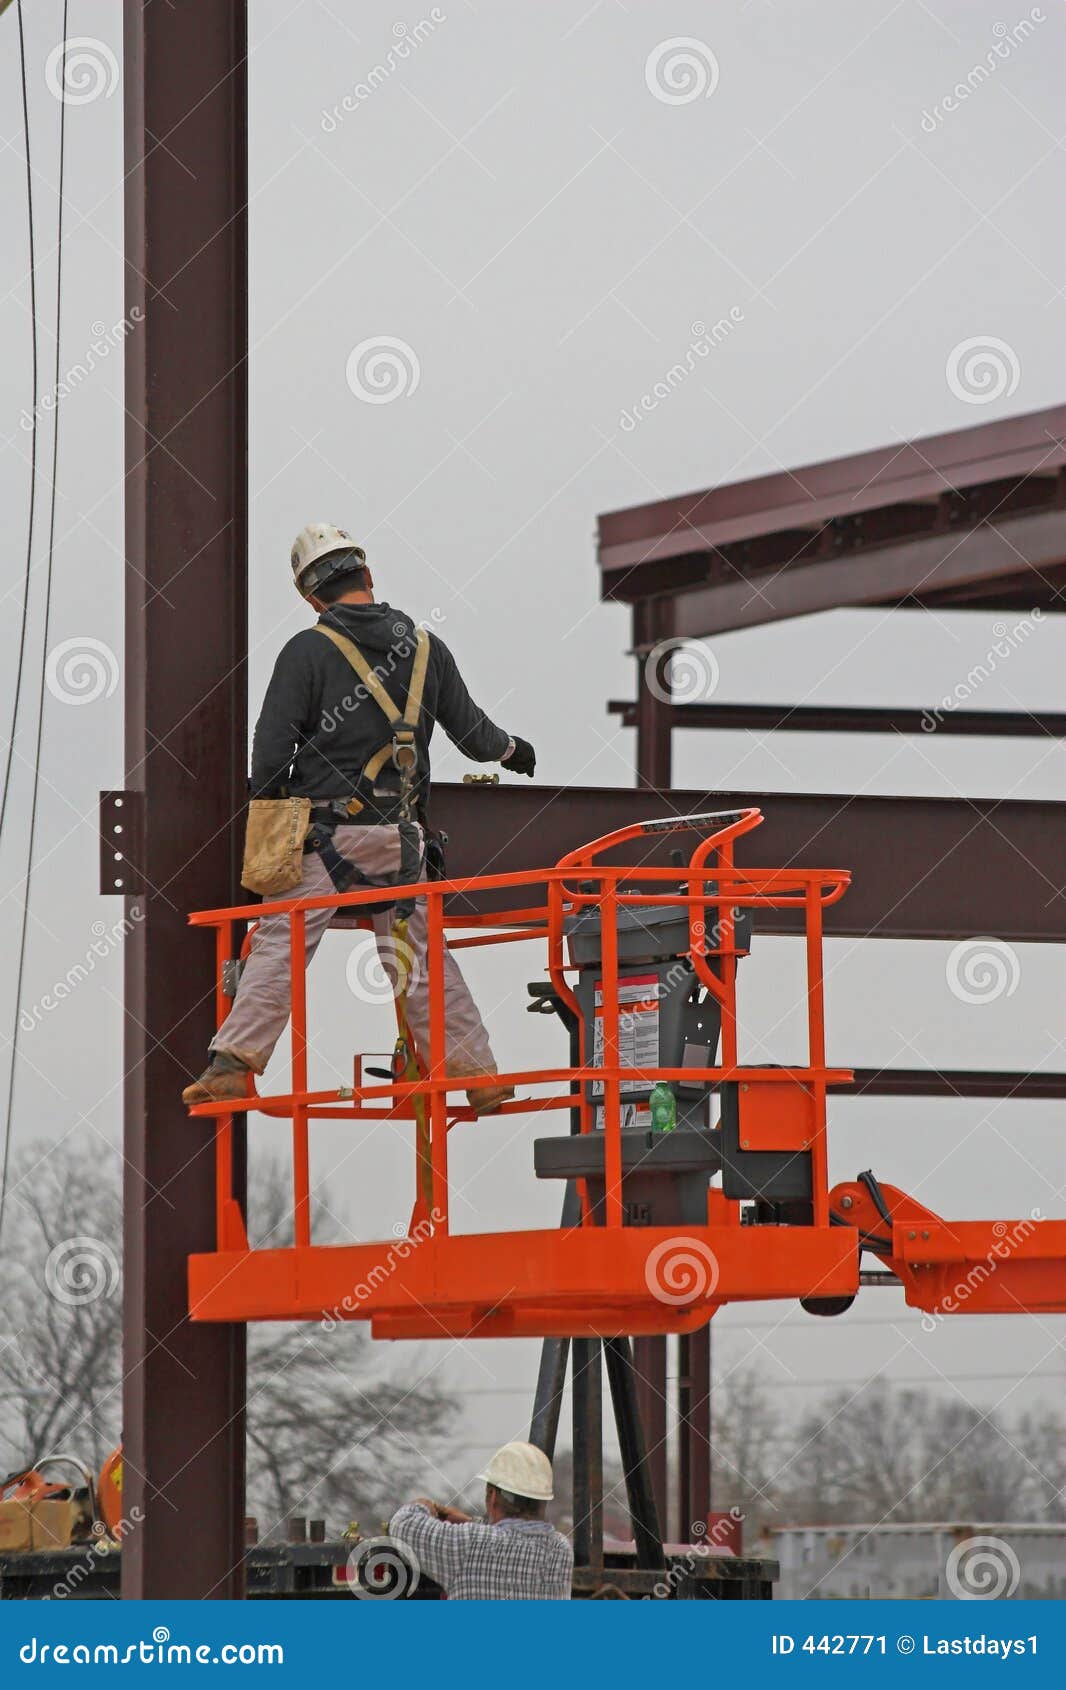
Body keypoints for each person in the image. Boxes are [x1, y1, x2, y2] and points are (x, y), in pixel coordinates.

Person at [182, 522, 535, 1111]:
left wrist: (268, 827)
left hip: (325, 840)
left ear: (310, 597)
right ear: (368, 576)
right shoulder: (425, 647)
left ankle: (233, 1065)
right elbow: (476, 736)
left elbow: (271, 752)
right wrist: (513, 751)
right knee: (421, 960)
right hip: (402, 843)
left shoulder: (307, 651)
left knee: (281, 941)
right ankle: (476, 1076)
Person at [389, 1441, 572, 1601]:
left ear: (492, 1497)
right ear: (542, 1501)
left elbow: (402, 1523)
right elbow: (514, 1540)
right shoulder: (561, 1549)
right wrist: (474, 1522)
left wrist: (425, 1505)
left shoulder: (469, 1543)